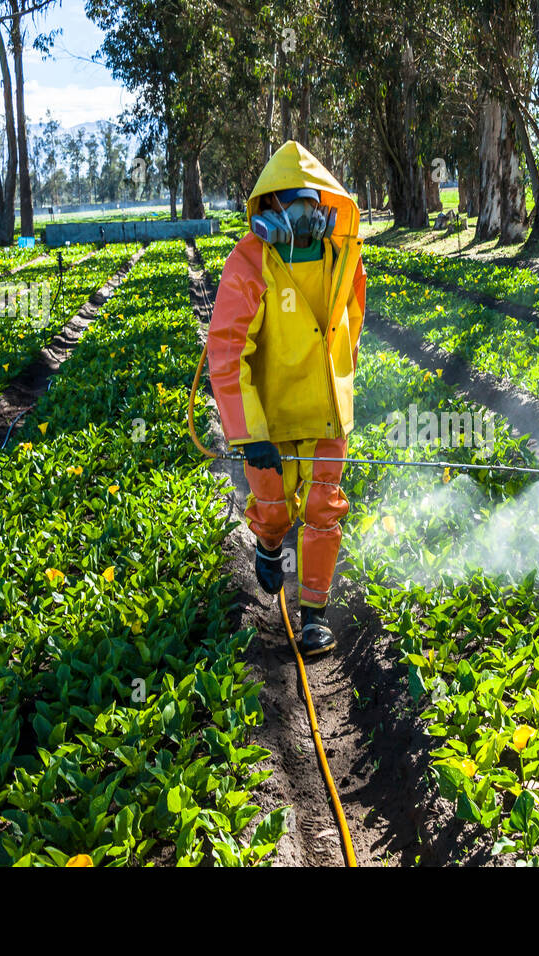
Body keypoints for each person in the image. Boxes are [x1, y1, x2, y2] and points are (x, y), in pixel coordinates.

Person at [207, 140, 366, 656]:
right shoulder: (249, 262)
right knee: (274, 511)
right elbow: (227, 354)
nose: (305, 210)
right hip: (270, 419)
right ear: (270, 207)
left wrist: (339, 379)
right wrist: (248, 434)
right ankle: (270, 544)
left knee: (323, 510)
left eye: (312, 199)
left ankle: (315, 615)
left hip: (325, 413)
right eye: (292, 199)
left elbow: (352, 322)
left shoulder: (346, 259)